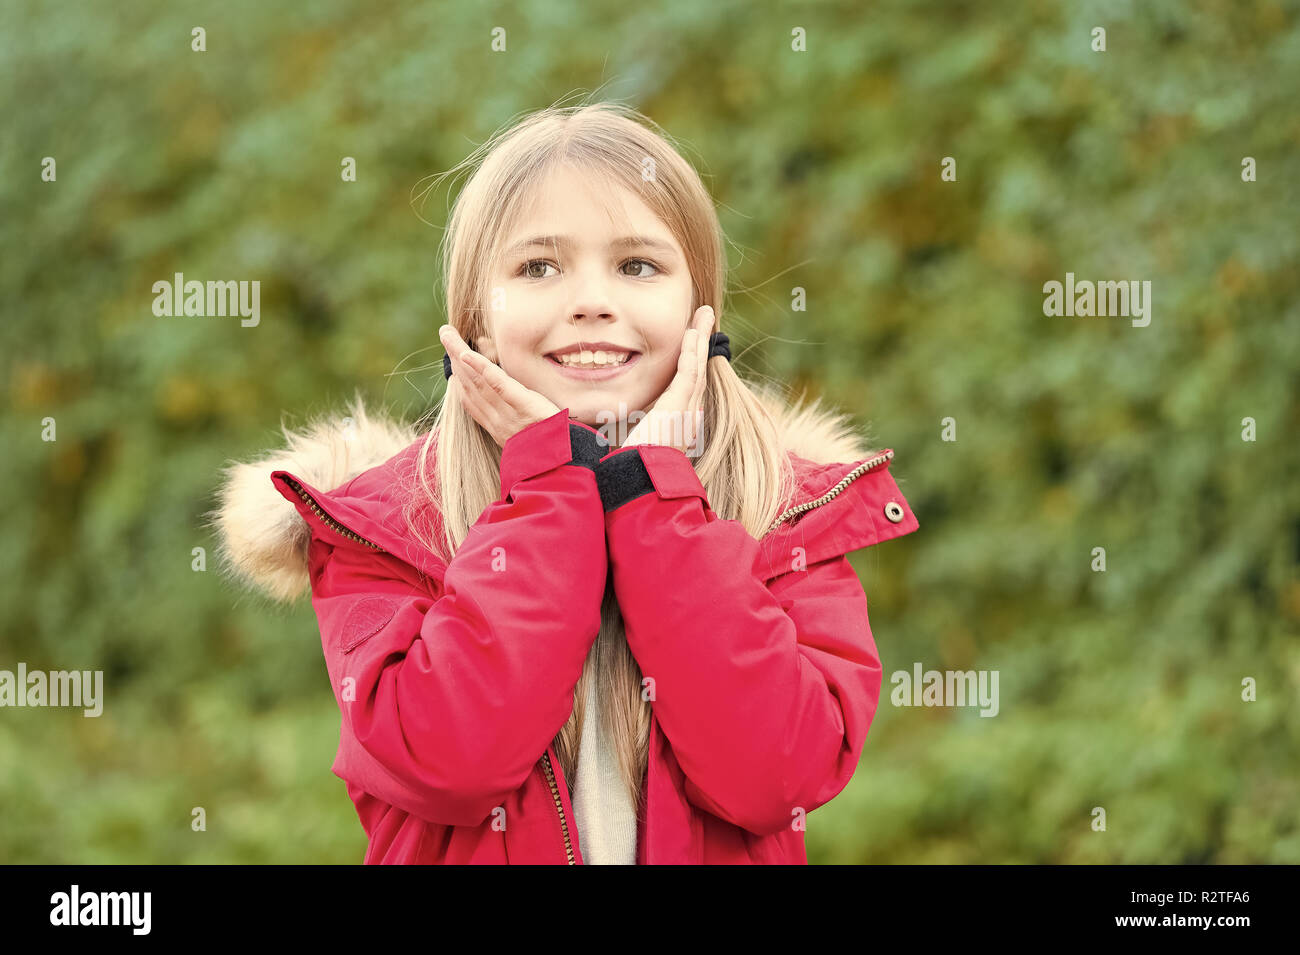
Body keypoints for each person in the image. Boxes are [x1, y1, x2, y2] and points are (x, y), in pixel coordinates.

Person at [213, 101, 919, 864]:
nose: (591, 300)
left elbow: (777, 772)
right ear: (476, 318)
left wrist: (654, 502)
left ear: (699, 311)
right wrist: (550, 485)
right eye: (538, 267)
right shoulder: (385, 527)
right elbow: (452, 761)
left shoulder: (787, 518)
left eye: (637, 265)